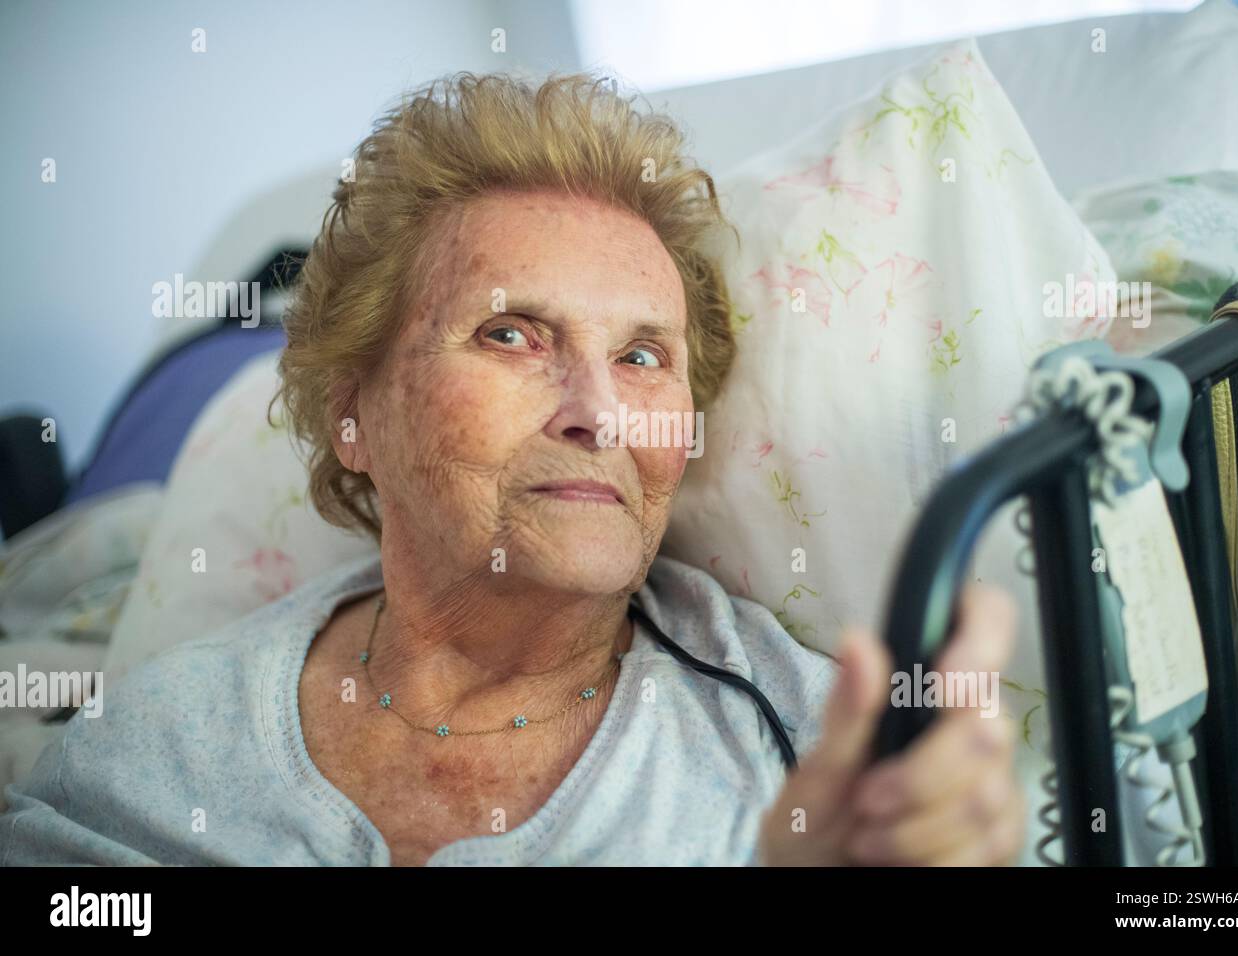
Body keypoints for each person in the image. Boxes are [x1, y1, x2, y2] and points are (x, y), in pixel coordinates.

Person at [0, 72, 1024, 866]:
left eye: (641, 356)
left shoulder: (817, 758)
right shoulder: (157, 748)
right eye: (511, 334)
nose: (599, 413)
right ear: (353, 416)